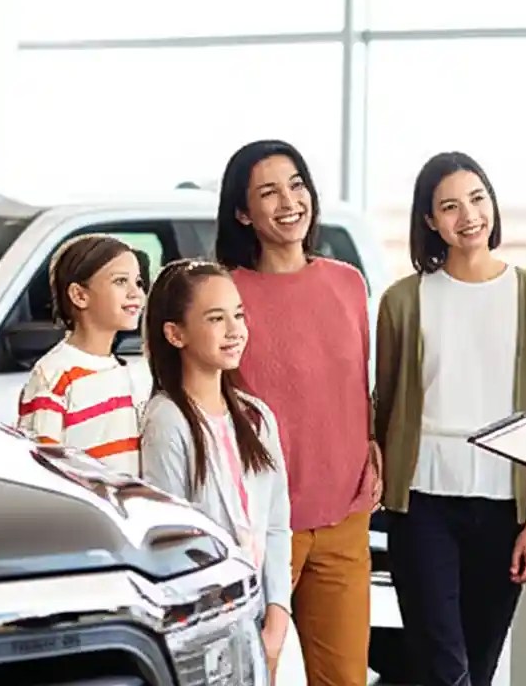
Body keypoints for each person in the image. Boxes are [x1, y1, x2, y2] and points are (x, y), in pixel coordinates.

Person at [374, 151, 526, 686]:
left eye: (477, 199)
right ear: (430, 221)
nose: (469, 216)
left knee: (478, 666)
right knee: (442, 666)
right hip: (423, 504)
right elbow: (385, 405)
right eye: (449, 207)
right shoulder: (404, 300)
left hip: (505, 505)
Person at [214, 139, 380, 686]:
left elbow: (357, 384)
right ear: (243, 213)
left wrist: (371, 443)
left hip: (343, 515)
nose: (289, 202)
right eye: (268, 192)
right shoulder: (227, 292)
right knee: (249, 675)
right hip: (259, 526)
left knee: (344, 679)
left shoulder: (348, 283)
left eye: (297, 185)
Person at [137, 259, 292, 682]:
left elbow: (276, 524)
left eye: (238, 314)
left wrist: (278, 614)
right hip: (204, 624)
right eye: (215, 318)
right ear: (175, 333)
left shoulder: (256, 416)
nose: (235, 329)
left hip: (257, 611)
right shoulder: (167, 420)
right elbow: (169, 545)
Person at [17, 234, 150, 475]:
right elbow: (42, 468)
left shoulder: (128, 372)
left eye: (138, 282)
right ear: (79, 295)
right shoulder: (53, 375)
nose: (136, 293)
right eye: (120, 281)